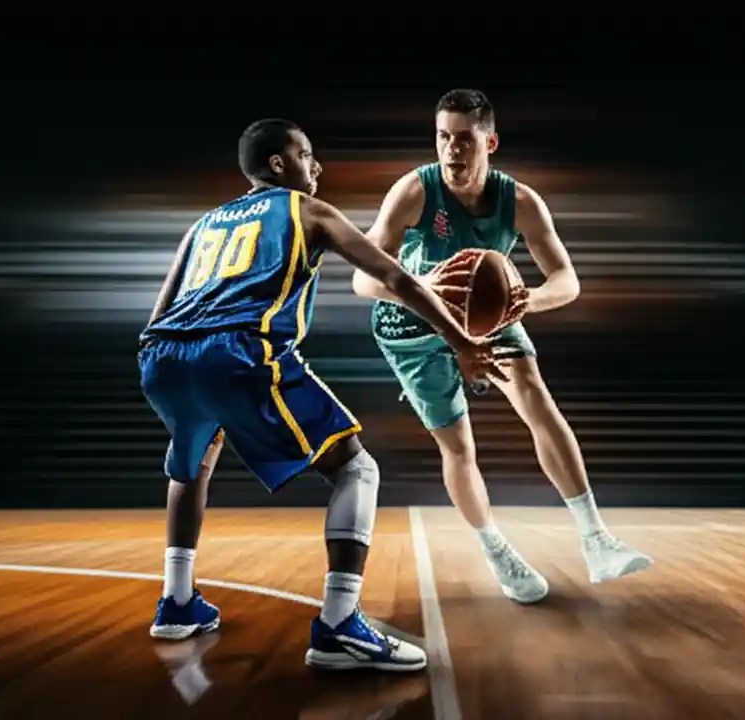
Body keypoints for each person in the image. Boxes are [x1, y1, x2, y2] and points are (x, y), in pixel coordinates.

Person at [138, 118, 504, 671]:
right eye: (306, 154)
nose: (317, 166)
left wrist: (175, 362)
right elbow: (398, 279)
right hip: (238, 351)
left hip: (163, 357)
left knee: (193, 459)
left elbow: (161, 311)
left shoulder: (203, 224)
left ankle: (177, 602)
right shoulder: (308, 211)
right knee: (357, 469)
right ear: (279, 164)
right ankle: (338, 624)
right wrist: (463, 341)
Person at [352, 89, 652, 604]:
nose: (452, 150)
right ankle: (496, 550)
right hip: (410, 325)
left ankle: (596, 539)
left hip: (486, 313)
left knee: (536, 396)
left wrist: (524, 299)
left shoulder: (521, 202)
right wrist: (422, 290)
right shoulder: (415, 191)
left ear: (489, 142)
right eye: (443, 138)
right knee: (459, 445)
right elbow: (363, 279)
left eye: (464, 139)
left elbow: (567, 280)